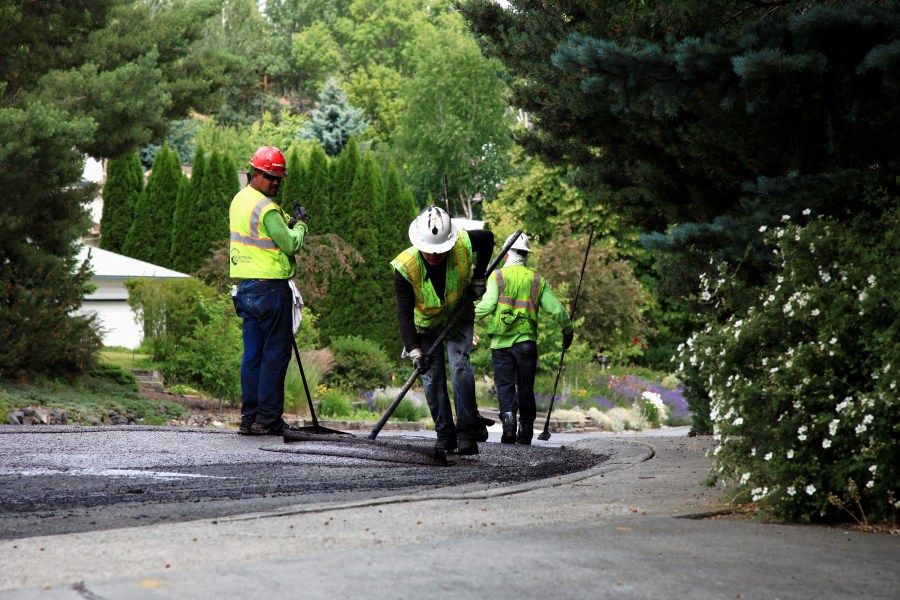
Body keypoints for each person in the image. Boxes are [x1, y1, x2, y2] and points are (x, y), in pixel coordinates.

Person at [391, 206, 495, 455]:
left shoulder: (462, 242)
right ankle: (445, 435)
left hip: (458, 316)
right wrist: (415, 350)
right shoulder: (405, 268)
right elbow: (404, 315)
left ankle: (466, 433)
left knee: (460, 368)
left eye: (440, 250)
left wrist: (479, 277)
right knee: (431, 376)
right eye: (429, 250)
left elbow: (489, 238)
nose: (434, 255)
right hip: (425, 326)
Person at [230, 146, 309, 436]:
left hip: (247, 289)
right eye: (271, 176)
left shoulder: (240, 200)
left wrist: (285, 224)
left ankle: (249, 418)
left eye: (279, 178)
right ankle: (268, 419)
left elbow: (262, 234)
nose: (276, 182)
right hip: (271, 290)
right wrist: (300, 225)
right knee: (275, 355)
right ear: (255, 173)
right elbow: (289, 244)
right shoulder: (266, 207)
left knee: (252, 356)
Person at [475, 232, 573, 444]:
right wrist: (568, 329)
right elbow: (555, 309)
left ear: (507, 253)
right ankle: (526, 429)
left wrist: (464, 315)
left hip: (500, 343)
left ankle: (508, 425)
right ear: (526, 254)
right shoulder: (536, 280)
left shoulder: (498, 276)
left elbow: (487, 305)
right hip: (526, 343)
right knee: (526, 386)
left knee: (505, 386)